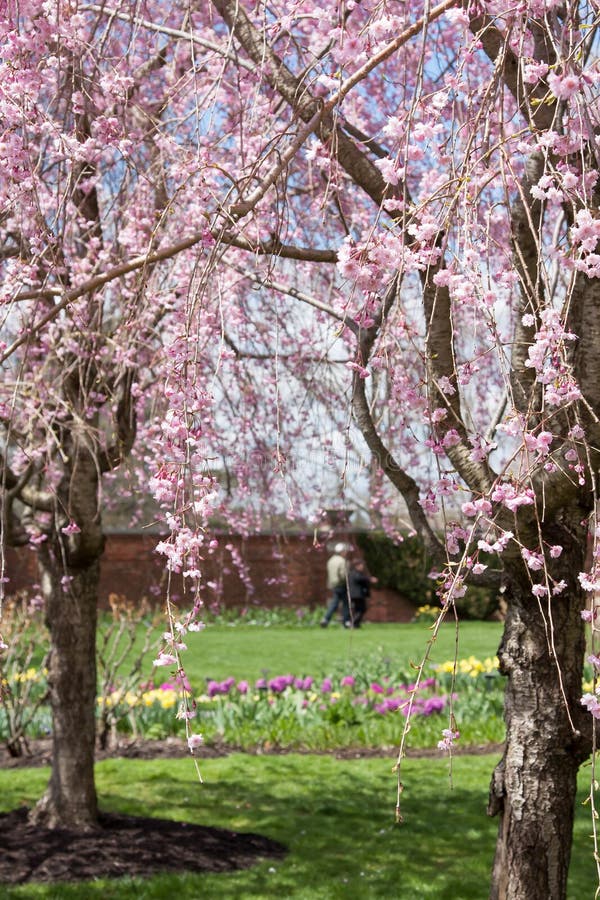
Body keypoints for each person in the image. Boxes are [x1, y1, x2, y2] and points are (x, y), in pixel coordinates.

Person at [320, 543, 349, 627]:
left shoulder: (331, 560)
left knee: (335, 602)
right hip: (341, 584)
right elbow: (343, 574)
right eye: (344, 551)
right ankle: (346, 621)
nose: (345, 552)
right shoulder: (342, 560)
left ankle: (325, 619)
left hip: (333, 584)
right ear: (341, 551)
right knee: (346, 603)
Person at [347, 559, 373, 628]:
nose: (362, 567)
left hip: (356, 595)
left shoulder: (356, 573)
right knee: (361, 609)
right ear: (357, 566)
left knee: (358, 609)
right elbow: (359, 579)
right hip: (357, 595)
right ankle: (353, 623)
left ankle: (356, 624)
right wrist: (369, 579)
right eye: (361, 565)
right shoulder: (355, 573)